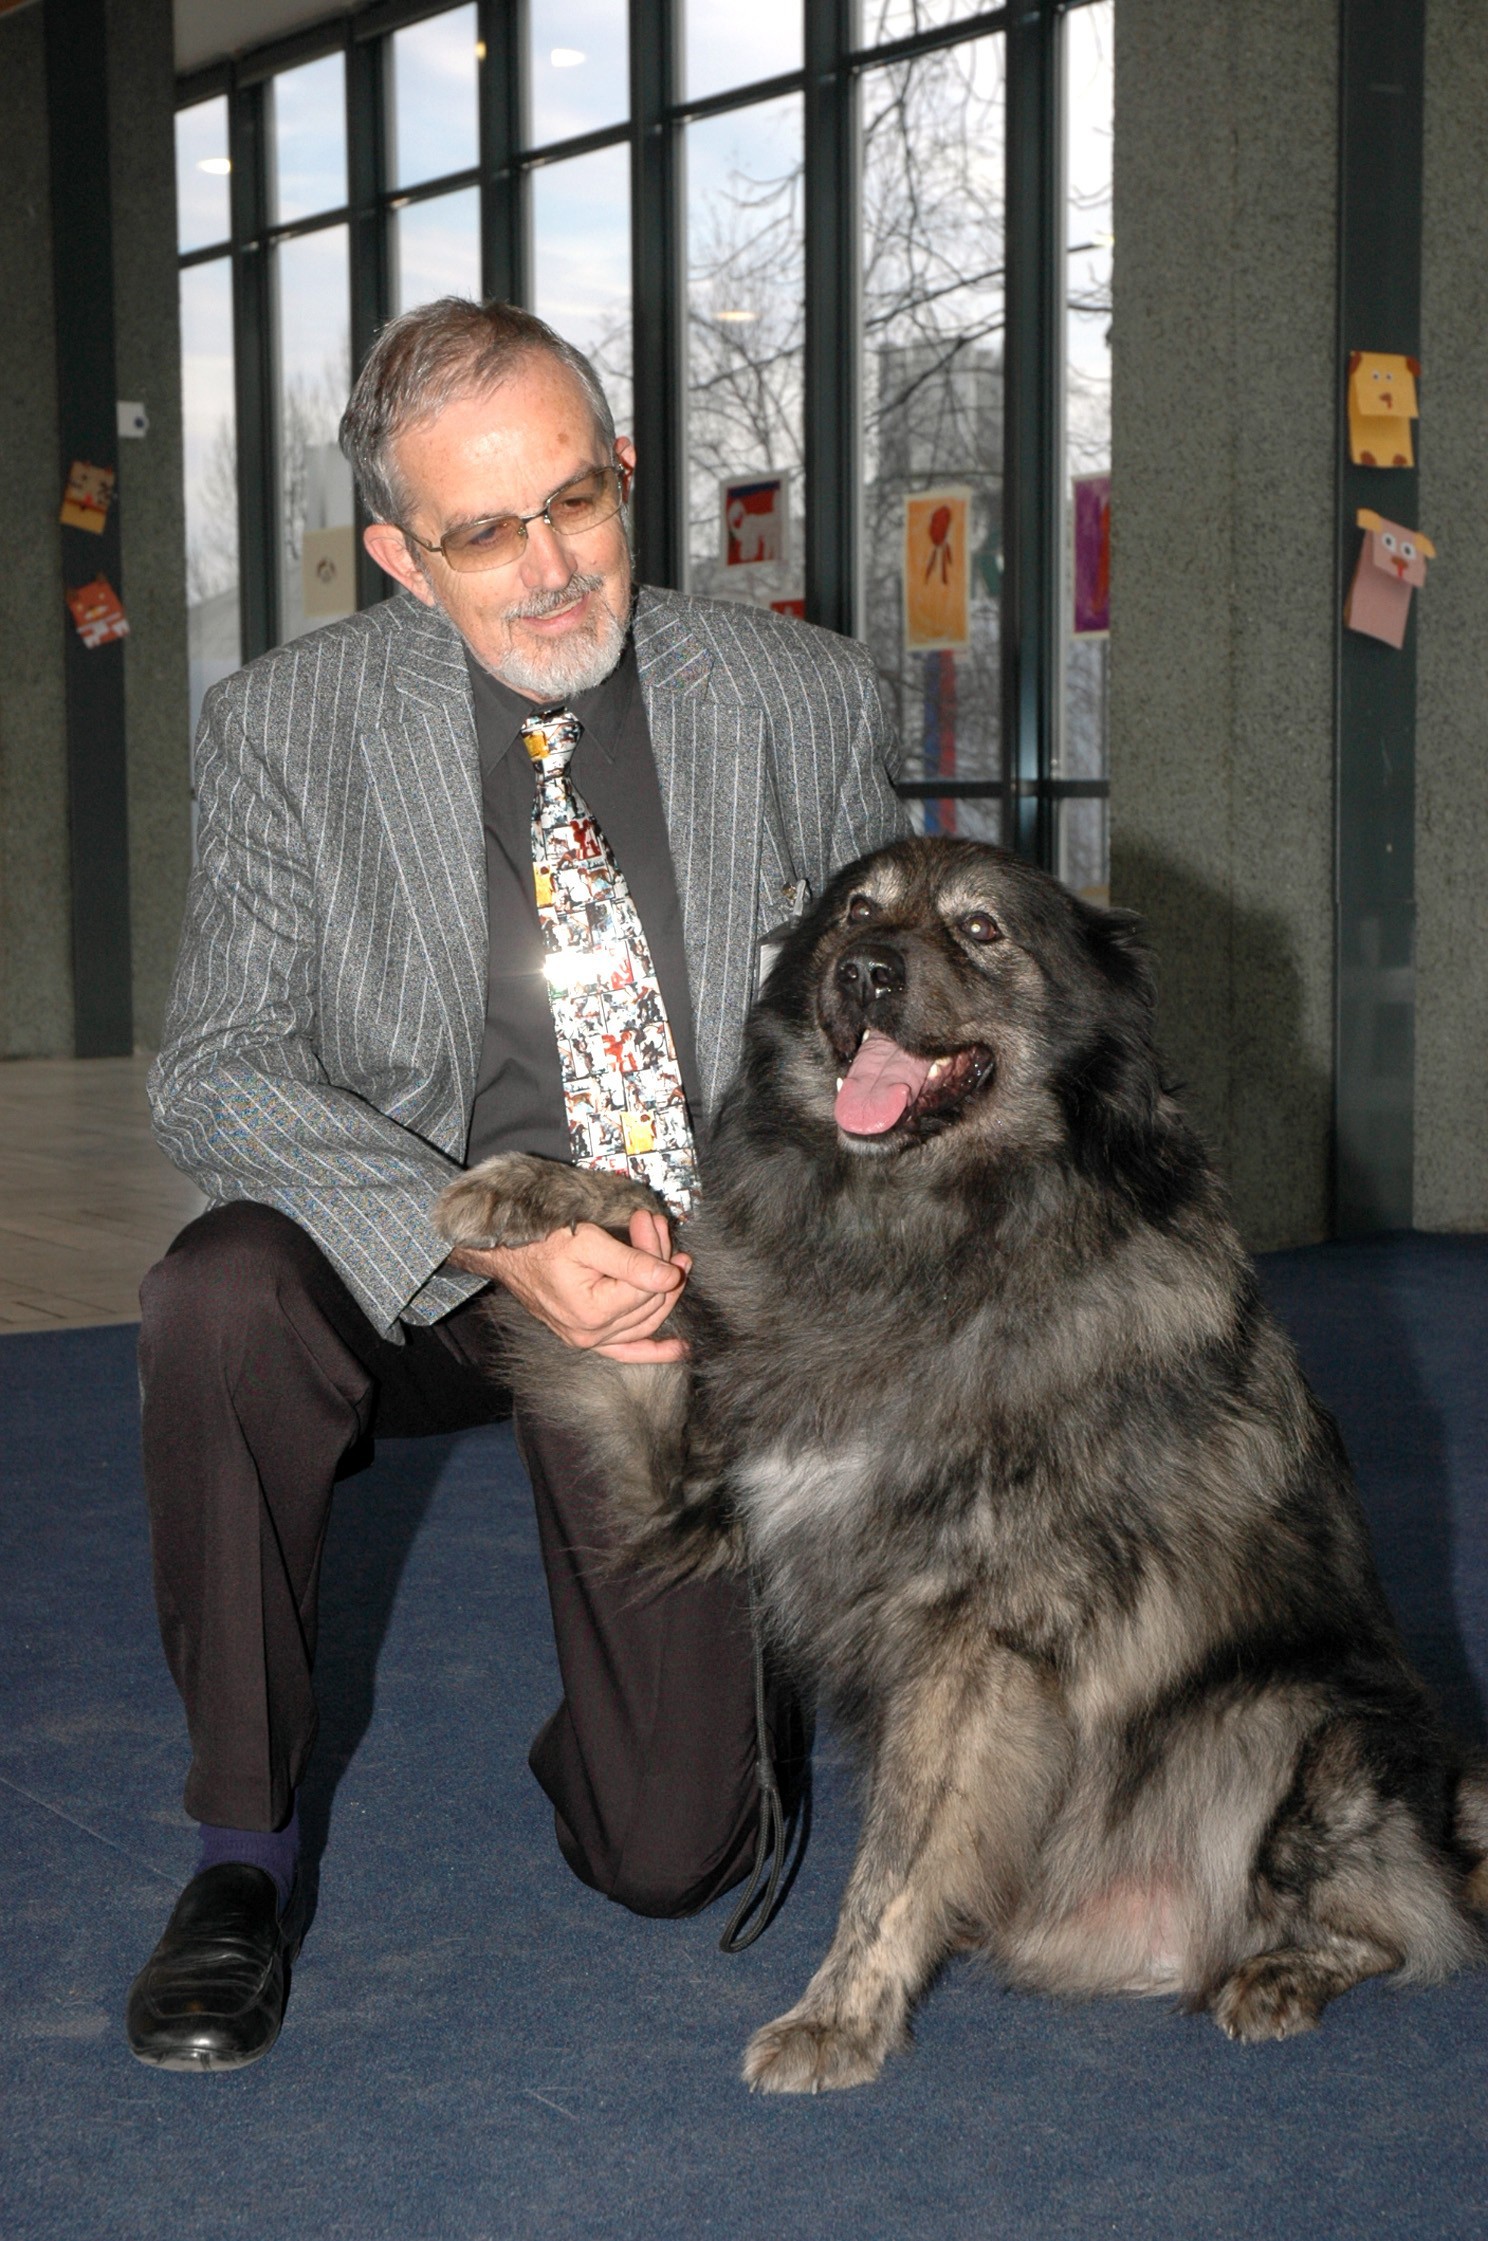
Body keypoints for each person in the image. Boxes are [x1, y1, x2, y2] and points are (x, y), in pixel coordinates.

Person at [124, 298, 906, 2070]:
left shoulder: (797, 700)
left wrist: (753, 1272)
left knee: (672, 1855)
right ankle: (241, 1853)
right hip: (430, 1256)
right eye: (487, 531)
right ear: (403, 555)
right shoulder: (286, 732)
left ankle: (686, 1694)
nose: (553, 567)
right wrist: (486, 1233)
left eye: (582, 498)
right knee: (219, 1291)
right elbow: (216, 1064)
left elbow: (889, 1047)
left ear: (626, 476)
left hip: (692, 1285)